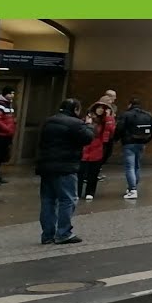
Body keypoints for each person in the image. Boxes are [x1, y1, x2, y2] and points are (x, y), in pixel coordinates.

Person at [36, 99, 95, 245]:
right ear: (75, 109)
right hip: (65, 167)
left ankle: (47, 234)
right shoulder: (75, 124)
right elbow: (87, 138)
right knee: (67, 199)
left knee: (48, 201)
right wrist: (89, 124)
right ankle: (63, 233)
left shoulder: (48, 121)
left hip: (46, 166)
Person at [114, 98, 152, 199]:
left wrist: (115, 139)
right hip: (141, 143)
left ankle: (132, 189)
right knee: (137, 166)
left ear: (130, 104)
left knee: (130, 167)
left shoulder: (126, 115)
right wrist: (148, 139)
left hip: (129, 143)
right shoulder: (148, 115)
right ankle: (133, 187)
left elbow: (119, 128)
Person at [78, 102, 113, 200]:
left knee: (93, 173)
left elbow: (110, 131)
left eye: (103, 108)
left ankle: (90, 192)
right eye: (99, 108)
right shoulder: (86, 119)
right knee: (80, 172)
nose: (101, 110)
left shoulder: (105, 121)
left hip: (97, 149)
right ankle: (77, 192)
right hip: (85, 148)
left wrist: (109, 117)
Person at [94, 90, 119, 181]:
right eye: (113, 96)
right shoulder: (98, 108)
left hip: (109, 136)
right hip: (101, 136)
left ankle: (96, 171)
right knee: (99, 155)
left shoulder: (113, 107)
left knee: (106, 154)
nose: (115, 99)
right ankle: (93, 173)